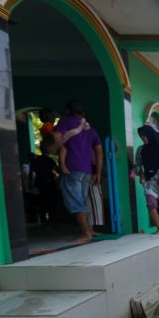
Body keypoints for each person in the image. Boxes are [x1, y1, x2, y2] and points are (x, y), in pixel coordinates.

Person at [53, 100, 103, 242]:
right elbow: (99, 150)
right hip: (86, 171)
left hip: (71, 168)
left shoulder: (65, 121)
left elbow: (56, 138)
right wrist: (98, 172)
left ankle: (86, 233)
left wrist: (60, 154)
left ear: (68, 110)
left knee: (75, 203)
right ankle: (87, 231)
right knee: (80, 201)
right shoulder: (89, 129)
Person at [134, 125, 159, 234]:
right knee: (151, 204)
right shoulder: (141, 150)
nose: (143, 139)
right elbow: (137, 165)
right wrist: (141, 173)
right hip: (149, 182)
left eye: (145, 136)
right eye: (141, 136)